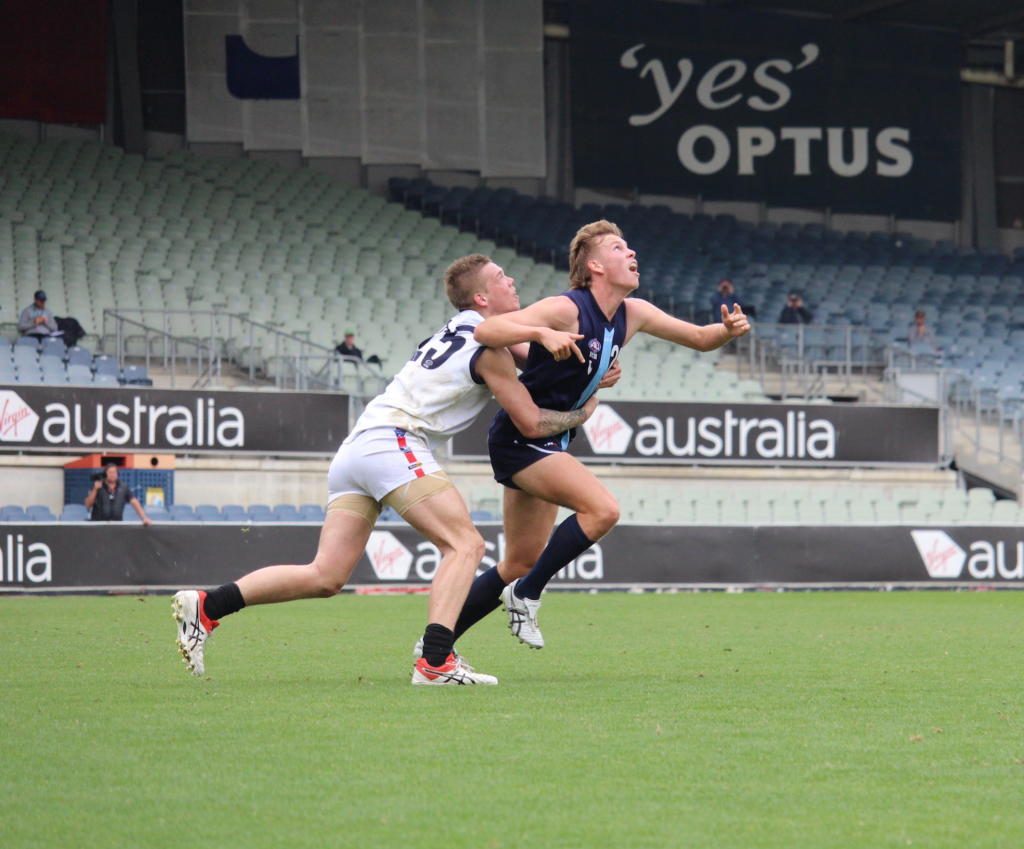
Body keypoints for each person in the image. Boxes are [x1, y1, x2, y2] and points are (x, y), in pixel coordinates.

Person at [171, 254, 618, 685]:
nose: (512, 282)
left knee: (325, 576)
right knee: (465, 544)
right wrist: (585, 409)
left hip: (358, 447)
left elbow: (537, 357)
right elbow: (532, 421)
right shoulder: (491, 348)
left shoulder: (463, 329)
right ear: (482, 298)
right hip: (395, 441)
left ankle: (209, 605)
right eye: (501, 278)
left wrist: (584, 366)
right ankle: (436, 663)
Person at [447, 220, 750, 652]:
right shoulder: (566, 308)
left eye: (629, 246)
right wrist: (540, 331)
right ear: (594, 265)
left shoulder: (633, 313)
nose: (630, 253)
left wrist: (727, 331)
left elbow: (701, 338)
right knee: (602, 511)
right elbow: (486, 332)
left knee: (518, 561)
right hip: (521, 438)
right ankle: (527, 595)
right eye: (617, 247)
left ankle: (437, 643)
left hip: (547, 440)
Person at [84, 463, 153, 525]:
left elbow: (134, 502)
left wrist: (144, 518)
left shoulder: (123, 487)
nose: (112, 475)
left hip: (117, 526)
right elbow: (87, 504)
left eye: (114, 472)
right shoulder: (98, 486)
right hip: (99, 525)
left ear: (117, 474)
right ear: (105, 474)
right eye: (110, 472)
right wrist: (95, 489)